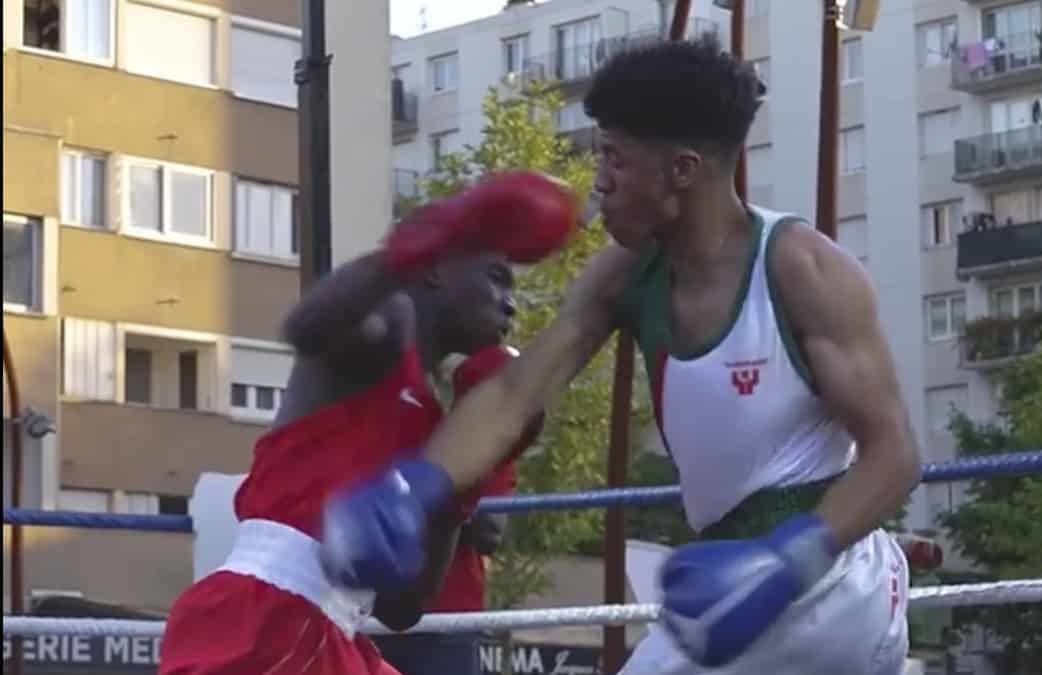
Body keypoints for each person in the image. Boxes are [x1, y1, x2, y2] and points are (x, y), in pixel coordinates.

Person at [322, 36, 923, 675]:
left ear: (683, 170)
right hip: (736, 572)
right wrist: (417, 484)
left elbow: (895, 455)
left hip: (830, 571)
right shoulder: (627, 273)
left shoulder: (802, 270)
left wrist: (788, 558)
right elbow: (516, 393)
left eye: (615, 158)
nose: (599, 181)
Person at [158, 170, 578, 675]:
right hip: (262, 618)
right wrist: (403, 253)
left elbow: (403, 610)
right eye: (495, 277)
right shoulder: (385, 331)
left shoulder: (437, 428)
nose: (509, 303)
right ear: (437, 269)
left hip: (332, 630)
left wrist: (462, 490)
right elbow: (307, 327)